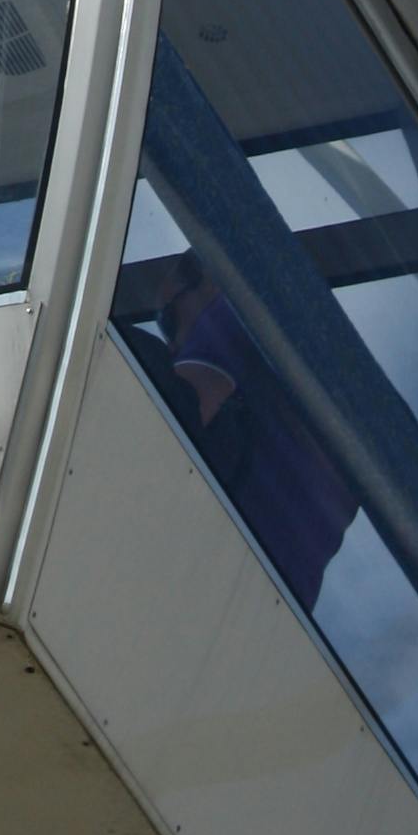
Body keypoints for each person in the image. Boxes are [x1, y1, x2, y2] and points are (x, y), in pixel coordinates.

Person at [145, 259, 356, 614]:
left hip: (209, 582)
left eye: (169, 319)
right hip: (279, 610)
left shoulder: (225, 319)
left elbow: (174, 422)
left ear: (209, 280)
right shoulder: (319, 392)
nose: (173, 344)